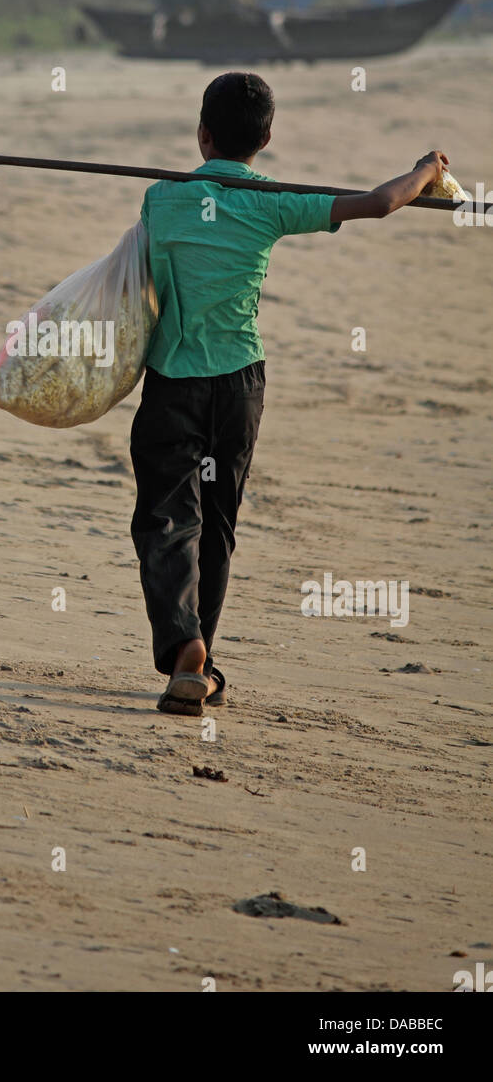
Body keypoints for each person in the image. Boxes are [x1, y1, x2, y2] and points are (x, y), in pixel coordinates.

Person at [131, 71, 449, 716]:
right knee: (216, 523)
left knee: (167, 520)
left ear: (202, 133)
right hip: (239, 387)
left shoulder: (161, 198)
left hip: (173, 385)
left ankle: (187, 652)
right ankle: (198, 664)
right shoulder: (275, 202)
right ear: (266, 139)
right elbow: (380, 202)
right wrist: (427, 168)